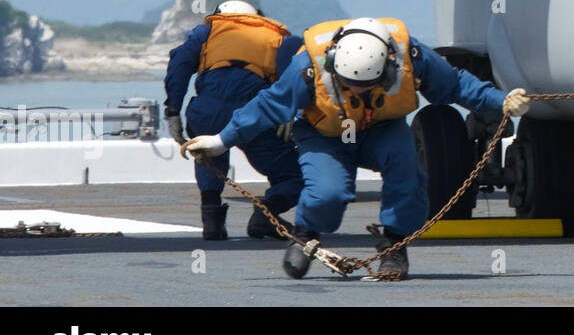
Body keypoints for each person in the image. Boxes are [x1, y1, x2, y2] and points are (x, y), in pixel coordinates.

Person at [181, 17, 531, 281]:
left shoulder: (411, 56)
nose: (357, 91)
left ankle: (394, 247)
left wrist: (502, 101)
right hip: (326, 134)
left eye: (366, 85)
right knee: (327, 195)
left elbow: (455, 85)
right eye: (349, 84)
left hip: (381, 129)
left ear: (387, 67)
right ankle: (305, 236)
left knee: (406, 172)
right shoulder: (308, 68)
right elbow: (267, 106)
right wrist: (220, 140)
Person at [164, 0, 304, 240]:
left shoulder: (206, 32)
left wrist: (172, 110)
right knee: (296, 174)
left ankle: (212, 222)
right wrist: (288, 112)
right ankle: (266, 214)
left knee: (209, 157)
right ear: (257, 16)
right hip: (256, 111)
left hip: (208, 109)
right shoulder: (280, 38)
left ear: (219, 15)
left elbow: (179, 65)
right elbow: (294, 75)